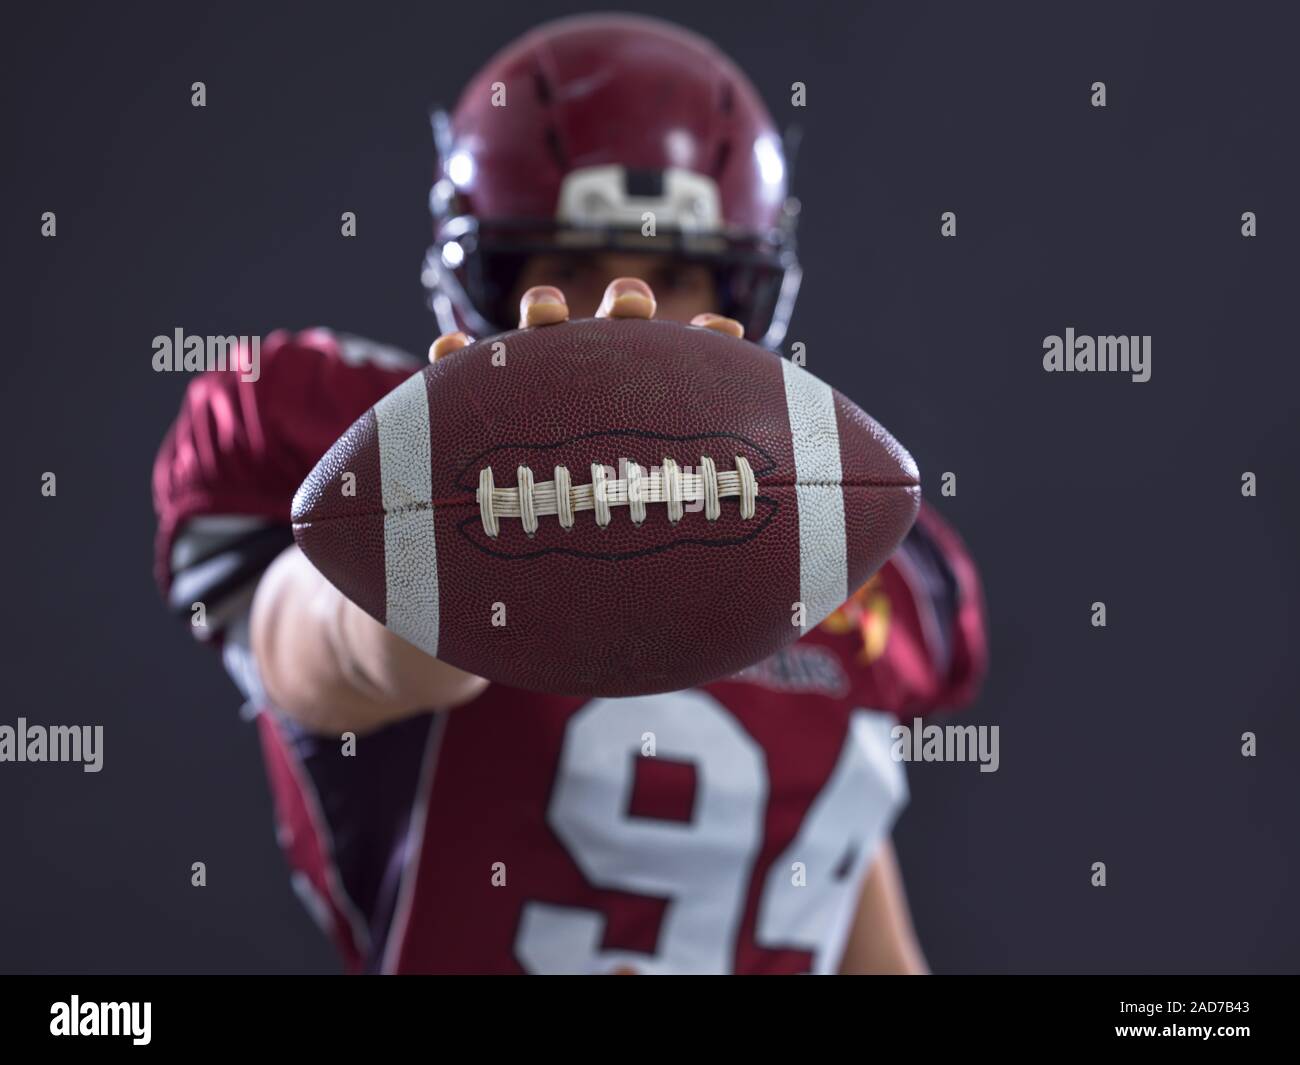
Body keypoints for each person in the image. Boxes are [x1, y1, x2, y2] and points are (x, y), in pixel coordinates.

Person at [152, 13, 986, 974]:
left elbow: (834, 880)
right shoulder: (380, 473)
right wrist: (457, 530)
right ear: (491, 282)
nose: (618, 309)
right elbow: (322, 655)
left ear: (742, 298)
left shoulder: (838, 536)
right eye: (570, 266)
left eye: (672, 274)